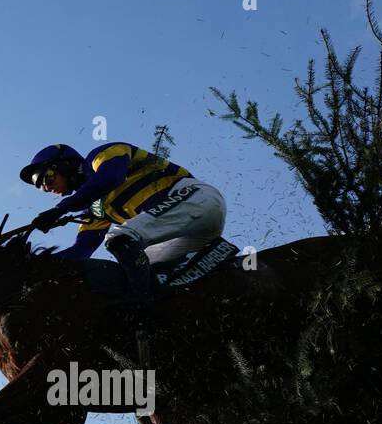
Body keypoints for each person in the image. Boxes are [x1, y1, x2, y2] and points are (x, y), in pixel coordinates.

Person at [20, 142, 228, 363]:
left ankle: (141, 312)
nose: (47, 188)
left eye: (47, 178)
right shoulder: (94, 209)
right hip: (188, 233)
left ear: (64, 164)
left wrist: (60, 209)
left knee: (119, 238)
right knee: (146, 272)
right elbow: (82, 250)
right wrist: (35, 265)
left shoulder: (100, 155)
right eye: (40, 187)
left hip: (196, 198)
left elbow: (111, 178)